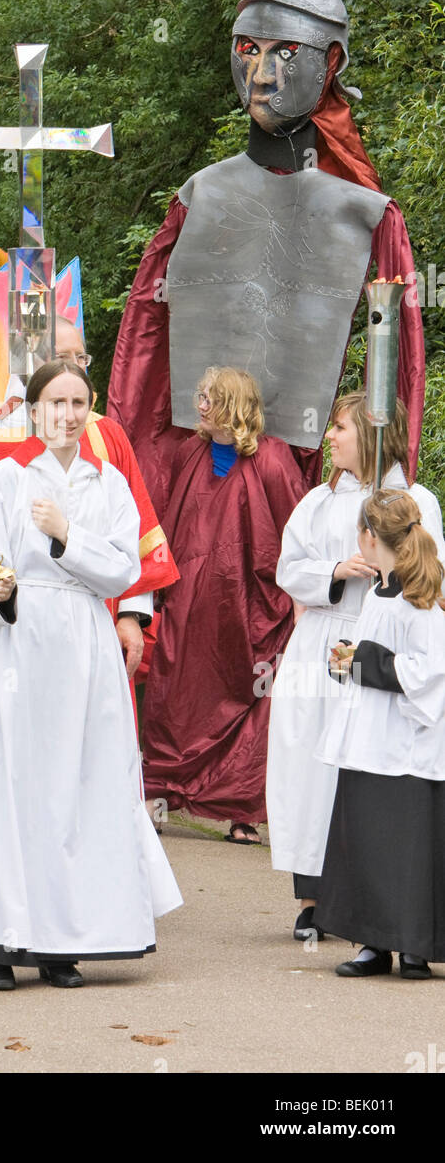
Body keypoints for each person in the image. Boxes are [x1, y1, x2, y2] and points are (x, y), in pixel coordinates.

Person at [109, 0, 424, 518]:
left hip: (301, 487)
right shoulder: (199, 197)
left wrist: (379, 491)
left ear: (329, 63)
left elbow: (396, 365)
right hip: (190, 484)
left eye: (285, 53)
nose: (259, 72)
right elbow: (143, 357)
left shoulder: (366, 216)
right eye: (248, 48)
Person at [0, 358, 182, 991]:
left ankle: (60, 942)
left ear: (91, 409)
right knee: (10, 787)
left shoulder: (108, 484)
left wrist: (64, 536)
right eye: (55, 403)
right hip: (15, 648)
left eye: (79, 403)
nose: (67, 415)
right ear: (34, 409)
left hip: (81, 646)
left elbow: (118, 571)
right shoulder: (2, 479)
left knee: (72, 790)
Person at [266, 394, 444, 937]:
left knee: (369, 772)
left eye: (340, 427)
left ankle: (373, 900)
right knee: (309, 765)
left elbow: (431, 571)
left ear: (369, 433)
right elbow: (286, 569)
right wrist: (335, 569)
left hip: (384, 643)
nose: (330, 438)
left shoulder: (414, 500)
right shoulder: (318, 501)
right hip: (322, 637)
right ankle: (314, 898)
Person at [0, 317, 179, 686]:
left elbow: (136, 533)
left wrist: (132, 615)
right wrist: (0, 571)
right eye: (64, 355)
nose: (76, 366)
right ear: (28, 362)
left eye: (82, 357)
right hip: (17, 624)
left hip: (93, 619)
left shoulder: (104, 435)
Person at [141, 367, 305, 842]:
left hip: (250, 606)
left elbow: (293, 531)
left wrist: (288, 599)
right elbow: (175, 524)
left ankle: (240, 811)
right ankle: (161, 795)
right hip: (190, 601)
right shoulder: (189, 451)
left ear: (233, 403)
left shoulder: (273, 459)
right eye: (201, 394)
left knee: (248, 703)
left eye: (210, 397)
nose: (201, 404)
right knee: (176, 696)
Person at [316, 489, 445, 979]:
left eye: (359, 531)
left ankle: (413, 946)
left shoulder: (421, 602)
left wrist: (363, 660)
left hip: (405, 747)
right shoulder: (376, 595)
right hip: (368, 739)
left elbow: (430, 672)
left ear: (371, 538)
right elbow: (369, 653)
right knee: (366, 842)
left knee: (408, 846)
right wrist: (344, 660)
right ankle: (373, 942)